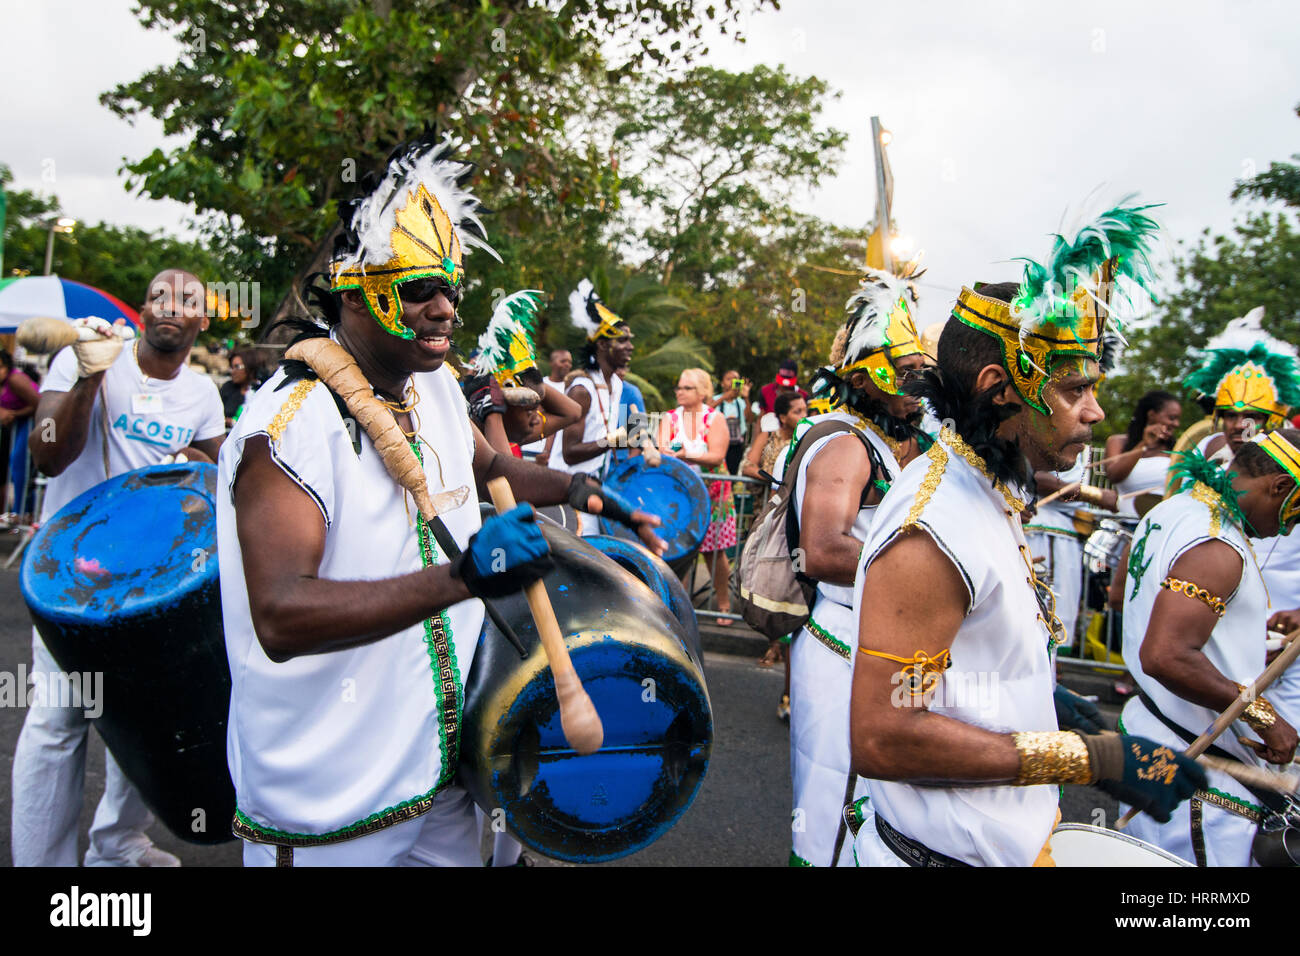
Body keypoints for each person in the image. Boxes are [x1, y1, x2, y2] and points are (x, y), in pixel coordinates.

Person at [217, 135, 664, 866]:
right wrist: (462, 578)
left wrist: (590, 491)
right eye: (420, 287)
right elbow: (281, 614)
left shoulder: (432, 389)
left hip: (442, 768)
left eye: (452, 286)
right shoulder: (289, 428)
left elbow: (494, 469)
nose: (444, 306)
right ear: (355, 289)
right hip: (334, 797)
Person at [848, 201, 1206, 867]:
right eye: (1074, 390)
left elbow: (964, 670)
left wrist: (1045, 703)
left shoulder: (988, 491)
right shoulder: (933, 527)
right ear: (1000, 388)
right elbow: (885, 735)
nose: (1096, 412)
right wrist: (1086, 756)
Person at [12, 269, 226, 867]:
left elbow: (214, 480)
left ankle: (115, 846)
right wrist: (87, 375)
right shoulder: (88, 355)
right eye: (159, 295)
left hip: (155, 587)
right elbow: (50, 455)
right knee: (58, 723)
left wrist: (196, 458)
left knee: (146, 720)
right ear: (143, 308)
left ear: (202, 320)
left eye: (186, 299)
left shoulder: (203, 393)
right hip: (73, 578)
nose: (170, 305)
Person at [782, 268, 929, 866]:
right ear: (872, 378)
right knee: (832, 823)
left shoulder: (879, 440)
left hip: (864, 645)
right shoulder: (846, 442)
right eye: (908, 377)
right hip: (841, 646)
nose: (919, 391)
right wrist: (922, 578)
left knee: (861, 814)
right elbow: (823, 549)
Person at [1119, 434, 1300, 865]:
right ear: (1278, 485)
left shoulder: (1176, 509)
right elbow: (1165, 655)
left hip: (1154, 737)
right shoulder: (1218, 545)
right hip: (1195, 771)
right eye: (1297, 509)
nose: (1291, 527)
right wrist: (1265, 716)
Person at [1180, 309, 1300, 730]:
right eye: (1229, 414)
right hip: (1219, 632)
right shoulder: (1199, 470)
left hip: (1290, 642)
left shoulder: (1295, 472)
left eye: (1251, 415)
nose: (1238, 425)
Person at [550, 279, 634, 534]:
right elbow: (570, 452)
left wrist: (637, 436)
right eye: (622, 340)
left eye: (630, 339)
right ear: (602, 344)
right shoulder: (581, 389)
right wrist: (617, 438)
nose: (630, 346)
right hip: (566, 494)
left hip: (593, 487)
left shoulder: (616, 385)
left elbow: (618, 437)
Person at [463, 291, 581, 459]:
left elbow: (573, 412)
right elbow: (502, 468)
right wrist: (492, 409)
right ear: (501, 405)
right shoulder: (469, 434)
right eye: (530, 410)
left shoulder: (510, 429)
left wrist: (527, 375)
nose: (536, 418)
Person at [658, 368, 736, 622]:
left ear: (703, 392)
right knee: (679, 550)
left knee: (714, 552)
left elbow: (716, 456)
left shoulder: (715, 419)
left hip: (713, 495)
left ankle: (723, 604)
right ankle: (679, 608)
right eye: (679, 387)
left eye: (687, 387)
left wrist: (684, 455)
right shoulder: (669, 418)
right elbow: (661, 450)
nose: (680, 391)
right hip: (679, 498)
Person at [742, 391, 807, 672]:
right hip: (770, 515)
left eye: (805, 410)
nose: (803, 416)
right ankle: (772, 641)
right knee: (769, 575)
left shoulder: (807, 438)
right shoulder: (769, 439)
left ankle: (784, 642)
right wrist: (776, 482)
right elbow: (748, 466)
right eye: (797, 411)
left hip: (797, 519)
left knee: (791, 578)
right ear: (782, 416)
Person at [1103, 390, 1181, 516]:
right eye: (1172, 418)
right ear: (1151, 415)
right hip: (1124, 522)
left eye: (1178, 419)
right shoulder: (1117, 442)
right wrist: (1144, 444)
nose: (1176, 424)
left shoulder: (1176, 450)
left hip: (1162, 522)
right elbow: (1114, 476)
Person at [0, 348, 40, 518]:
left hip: (38, 422)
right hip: (16, 424)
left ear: (8, 367)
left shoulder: (16, 380)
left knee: (20, 462)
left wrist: (14, 414)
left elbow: (40, 404)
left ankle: (21, 512)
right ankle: (19, 510)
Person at [711, 370, 755, 474]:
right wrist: (724, 397)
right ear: (722, 383)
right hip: (717, 445)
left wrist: (746, 398)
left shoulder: (741, 402)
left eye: (735, 379)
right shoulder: (715, 399)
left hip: (736, 447)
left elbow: (749, 419)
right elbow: (706, 412)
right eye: (728, 379)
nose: (732, 382)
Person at [534, 348, 572, 461]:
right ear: (551, 363)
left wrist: (548, 450)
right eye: (563, 361)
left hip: (552, 454)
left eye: (570, 362)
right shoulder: (540, 384)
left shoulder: (571, 389)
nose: (567, 365)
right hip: (531, 446)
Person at [220, 351, 258, 429]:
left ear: (249, 367)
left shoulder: (260, 391)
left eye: (237, 367)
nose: (233, 371)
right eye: (232, 367)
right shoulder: (227, 388)